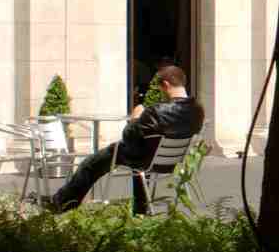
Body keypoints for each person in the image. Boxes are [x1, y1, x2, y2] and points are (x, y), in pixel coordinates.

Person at [44, 64, 204, 216]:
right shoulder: (198, 111)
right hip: (174, 161)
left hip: (144, 159)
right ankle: (141, 208)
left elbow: (129, 137)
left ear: (166, 84)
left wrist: (135, 118)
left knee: (90, 164)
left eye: (161, 87)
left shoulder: (156, 111)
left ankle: (61, 202)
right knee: (140, 155)